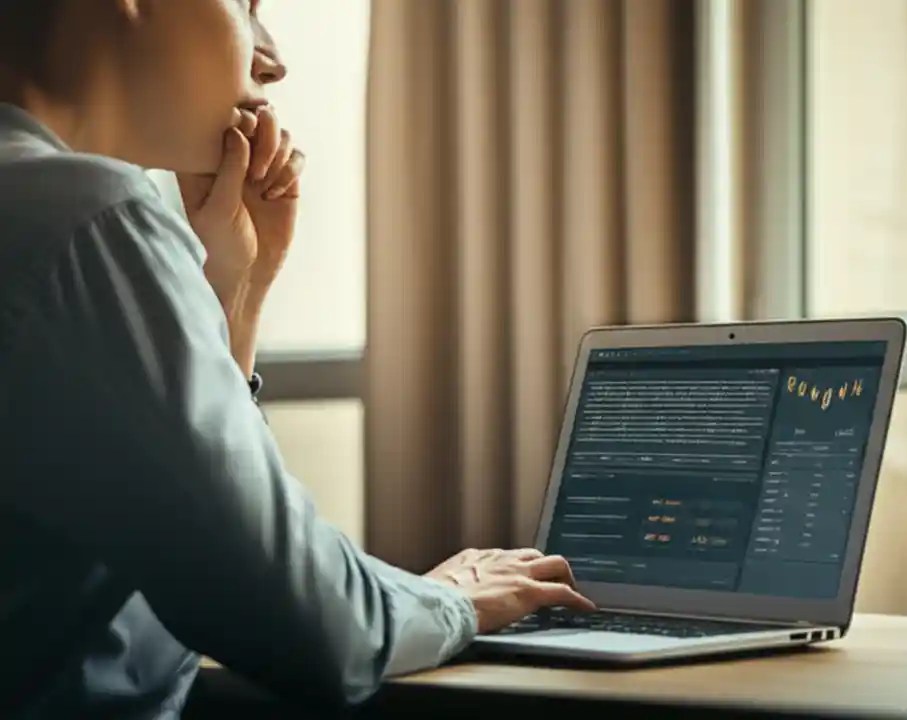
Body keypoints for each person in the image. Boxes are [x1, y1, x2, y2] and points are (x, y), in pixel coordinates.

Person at [0, 1, 595, 716]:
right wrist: (451, 599)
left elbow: (176, 550)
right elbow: (313, 629)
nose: (272, 56)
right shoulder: (84, 217)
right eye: (246, 5)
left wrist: (235, 295)